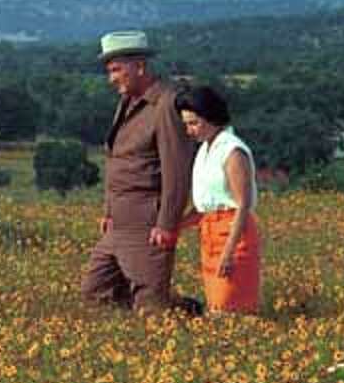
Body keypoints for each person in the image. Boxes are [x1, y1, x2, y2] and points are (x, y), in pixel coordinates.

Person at [81, 30, 195, 313]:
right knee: (96, 293)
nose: (112, 79)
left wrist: (168, 223)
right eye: (109, 71)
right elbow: (118, 159)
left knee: (151, 308)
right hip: (118, 223)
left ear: (140, 66)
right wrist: (108, 211)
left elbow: (177, 169)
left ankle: (194, 315)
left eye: (117, 70)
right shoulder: (129, 100)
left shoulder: (166, 103)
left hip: (147, 224)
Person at [174, 86, 262, 315]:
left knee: (229, 308)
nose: (189, 130)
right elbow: (203, 206)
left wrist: (229, 252)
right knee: (216, 307)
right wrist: (173, 227)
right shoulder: (204, 150)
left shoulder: (232, 150)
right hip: (209, 235)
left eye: (194, 123)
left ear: (211, 117)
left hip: (234, 234)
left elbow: (242, 204)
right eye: (186, 124)